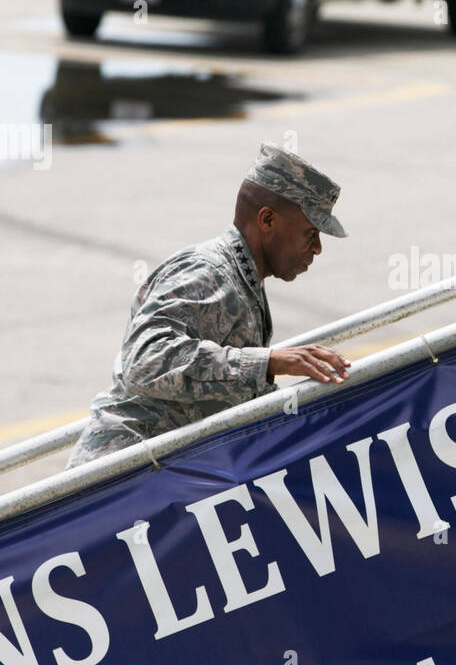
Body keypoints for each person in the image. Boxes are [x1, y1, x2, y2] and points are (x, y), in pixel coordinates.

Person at [66, 141, 352, 468]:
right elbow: (144, 362)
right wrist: (266, 363)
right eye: (310, 232)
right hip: (114, 486)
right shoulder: (209, 273)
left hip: (156, 483)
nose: (316, 248)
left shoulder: (244, 281)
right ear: (267, 220)